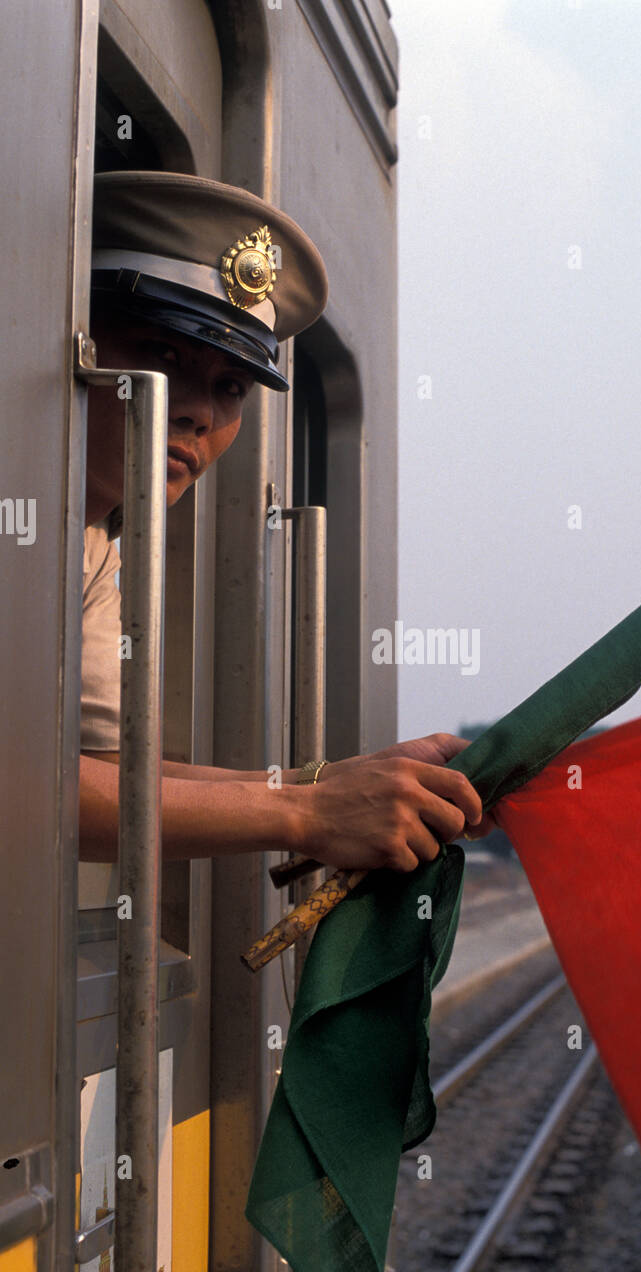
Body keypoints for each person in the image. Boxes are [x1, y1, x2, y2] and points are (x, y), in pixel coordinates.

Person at [79, 171, 489, 870]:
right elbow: (28, 786)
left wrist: (333, 785)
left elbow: (102, 772)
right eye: (162, 354)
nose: (198, 413)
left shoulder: (90, 543)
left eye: (229, 388)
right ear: (82, 341)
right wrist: (308, 811)